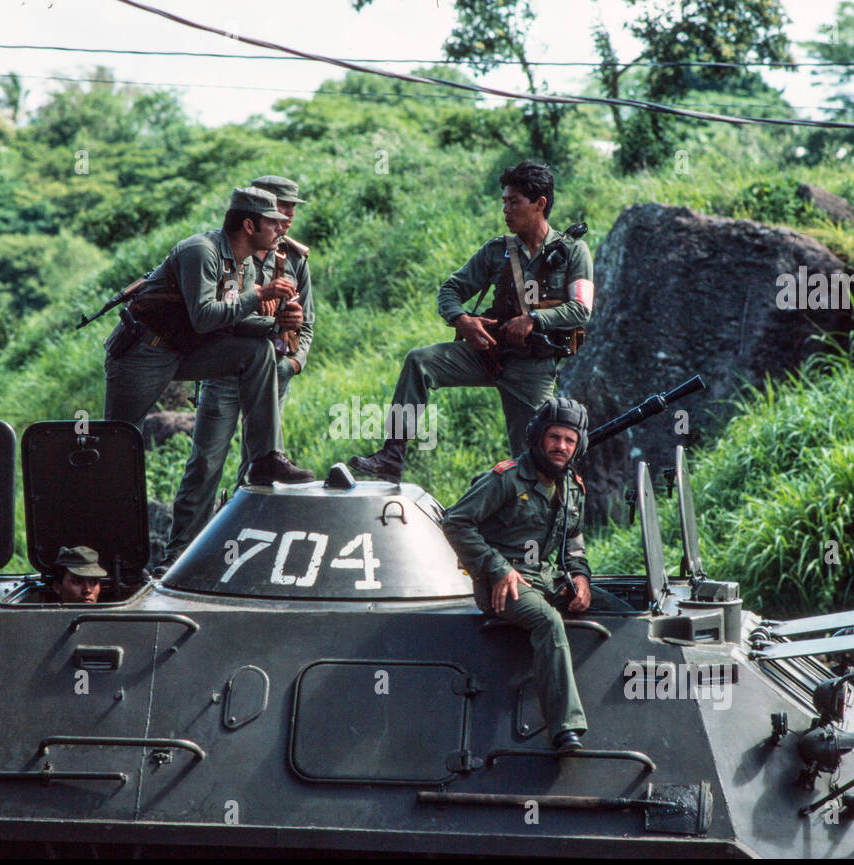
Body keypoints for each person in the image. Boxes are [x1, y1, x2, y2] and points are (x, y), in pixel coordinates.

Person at [350, 161, 594, 483]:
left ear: (540, 204)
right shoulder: (497, 251)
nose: (505, 210)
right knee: (419, 362)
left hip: (532, 368)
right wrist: (462, 320)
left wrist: (534, 319)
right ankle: (391, 455)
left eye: (514, 202)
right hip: (488, 351)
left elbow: (581, 309)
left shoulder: (573, 251)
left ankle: (540, 522)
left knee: (532, 460)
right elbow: (451, 289)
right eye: (504, 202)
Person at [102, 186, 314, 489]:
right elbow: (204, 317)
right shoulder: (201, 251)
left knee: (259, 352)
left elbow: (230, 319)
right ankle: (100, 519)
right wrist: (259, 295)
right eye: (273, 221)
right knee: (117, 445)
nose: (281, 227)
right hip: (144, 352)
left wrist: (278, 324)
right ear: (249, 226)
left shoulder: (243, 261)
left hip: (186, 350)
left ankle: (266, 459)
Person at [163, 176, 314, 562]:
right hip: (226, 373)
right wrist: (263, 310)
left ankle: (248, 553)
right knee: (206, 463)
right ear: (255, 218)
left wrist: (294, 360)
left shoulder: (295, 260)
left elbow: (307, 322)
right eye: (281, 211)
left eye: (292, 210)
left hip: (272, 374)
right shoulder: (233, 254)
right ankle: (182, 554)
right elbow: (215, 317)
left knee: (263, 465)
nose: (288, 219)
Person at [440, 397, 593, 753]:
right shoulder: (506, 479)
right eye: (555, 437)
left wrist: (582, 578)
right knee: (548, 622)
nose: (561, 447)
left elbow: (573, 540)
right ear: (539, 437)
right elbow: (456, 522)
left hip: (546, 576)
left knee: (617, 607)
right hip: (503, 582)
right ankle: (564, 729)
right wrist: (496, 569)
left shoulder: (572, 486)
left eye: (569, 440)